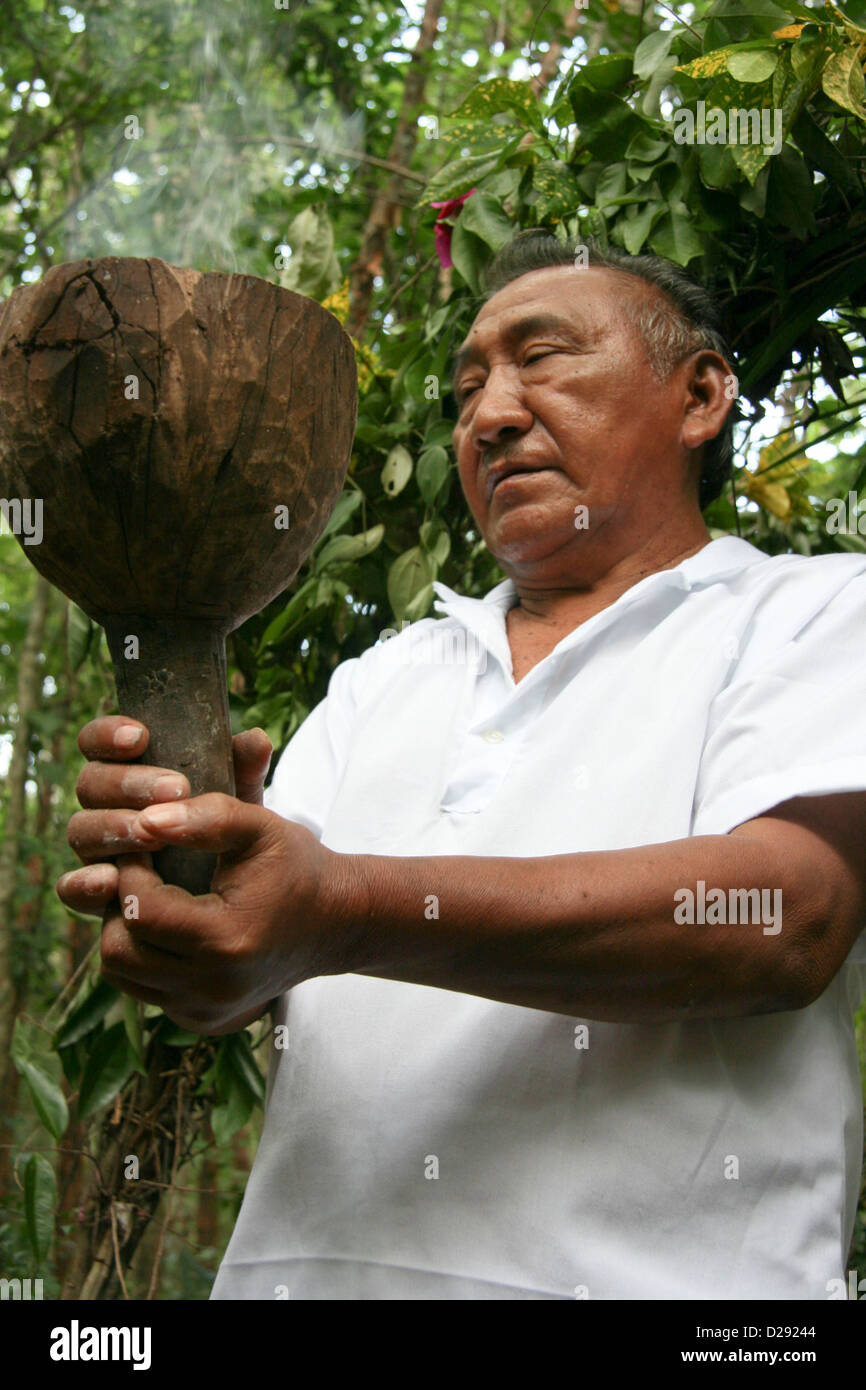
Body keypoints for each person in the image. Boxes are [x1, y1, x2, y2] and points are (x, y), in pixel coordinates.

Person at [58, 231, 866, 1300]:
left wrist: (342, 906)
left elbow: (779, 919)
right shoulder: (383, 678)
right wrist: (184, 882)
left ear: (701, 393)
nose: (489, 415)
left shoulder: (812, 612)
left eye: (545, 358)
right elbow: (246, 977)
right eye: (468, 385)